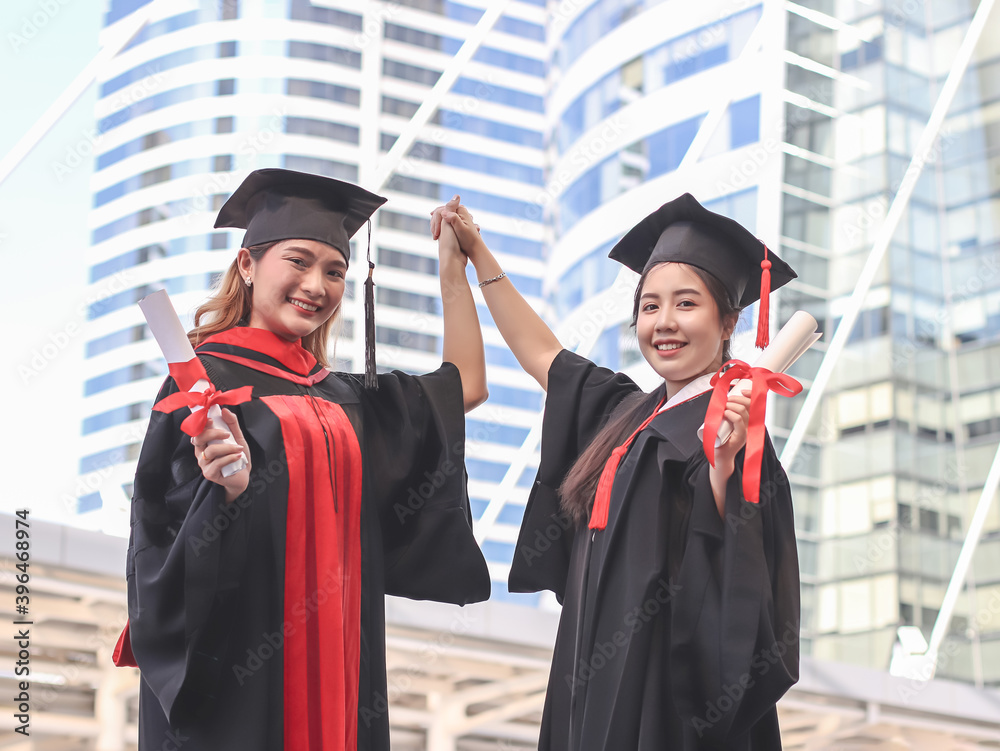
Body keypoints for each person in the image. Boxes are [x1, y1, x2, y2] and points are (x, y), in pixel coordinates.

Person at [122, 169, 491, 751]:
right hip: (248, 675)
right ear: (247, 265)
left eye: (335, 271)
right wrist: (225, 493)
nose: (317, 284)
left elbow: (465, 385)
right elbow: (158, 542)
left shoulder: (345, 398)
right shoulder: (200, 388)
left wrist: (455, 266)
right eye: (298, 261)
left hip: (342, 674)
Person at [431, 193, 800, 750]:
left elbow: (739, 552)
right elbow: (544, 355)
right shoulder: (624, 412)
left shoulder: (733, 424)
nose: (664, 323)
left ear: (729, 321)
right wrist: (477, 255)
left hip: (665, 684)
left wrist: (725, 463)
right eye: (650, 307)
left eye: (686, 304)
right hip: (588, 662)